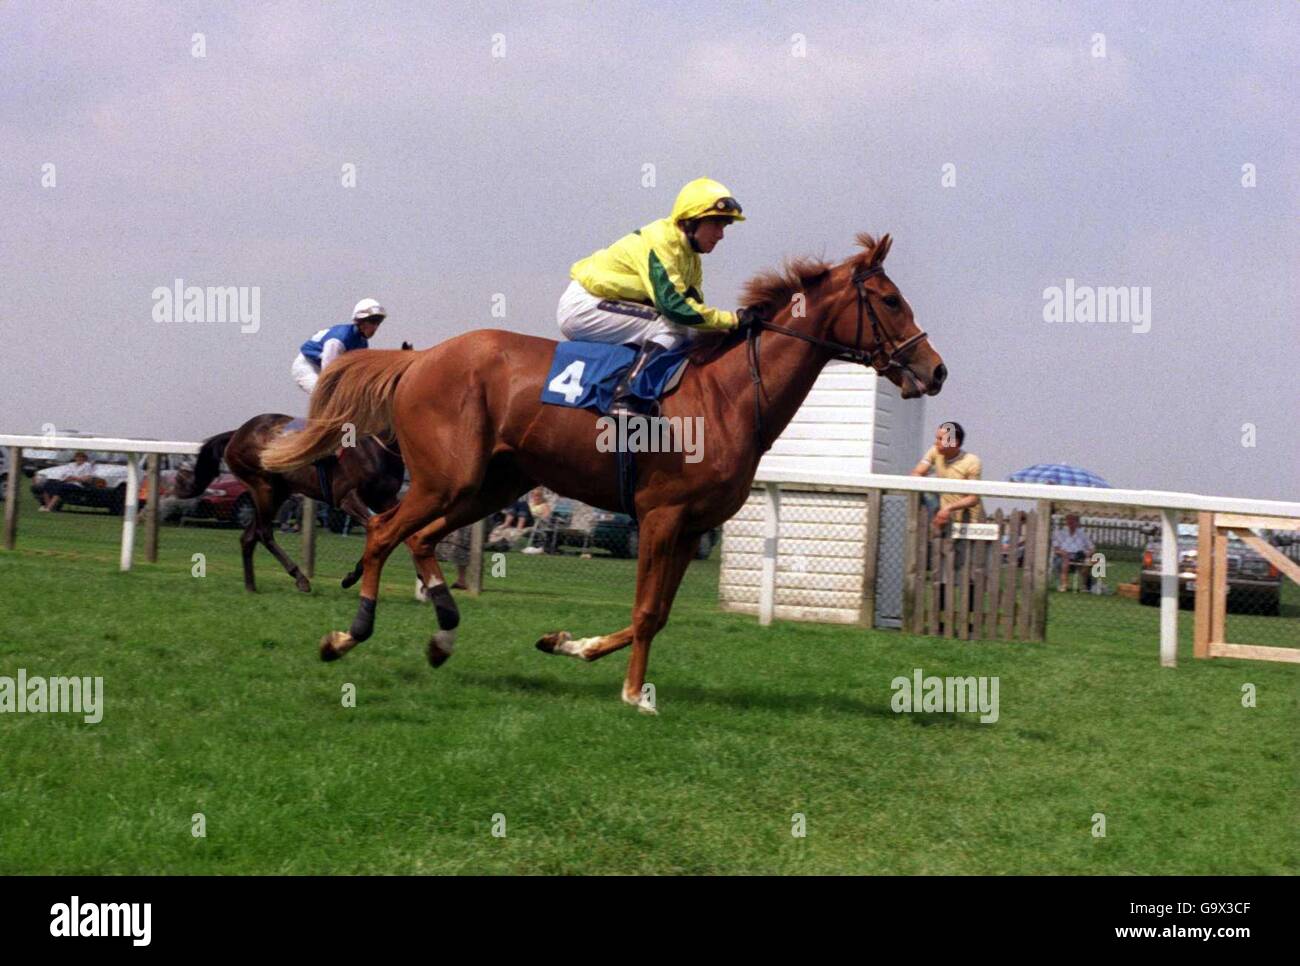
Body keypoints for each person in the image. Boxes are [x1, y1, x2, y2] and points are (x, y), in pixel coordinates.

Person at [557, 177, 757, 416]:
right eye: (716, 224)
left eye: (724, 226)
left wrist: (731, 330)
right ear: (691, 221)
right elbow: (675, 308)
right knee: (670, 327)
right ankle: (628, 396)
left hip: (604, 305)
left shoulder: (691, 260)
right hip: (584, 305)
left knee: (686, 332)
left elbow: (696, 313)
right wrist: (733, 320)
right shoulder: (662, 243)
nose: (721, 235)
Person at [292, 298, 386, 394]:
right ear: (360, 321)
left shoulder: (362, 342)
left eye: (378, 322)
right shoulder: (338, 339)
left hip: (326, 366)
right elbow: (329, 371)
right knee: (325, 394)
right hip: (308, 365)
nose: (375, 327)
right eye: (372, 321)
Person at [910, 421, 984, 532]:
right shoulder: (935, 451)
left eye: (941, 439)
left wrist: (948, 508)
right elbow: (916, 474)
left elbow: (973, 498)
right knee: (925, 491)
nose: (936, 442)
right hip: (944, 520)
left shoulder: (972, 461)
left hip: (967, 522)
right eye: (937, 438)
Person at [1053, 513, 1096, 591]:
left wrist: (1087, 554)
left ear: (1077, 522)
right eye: (1069, 520)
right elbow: (1056, 549)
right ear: (1066, 521)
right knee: (1064, 559)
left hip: (1079, 555)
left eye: (1073, 520)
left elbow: (1092, 548)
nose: (1071, 522)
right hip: (1063, 556)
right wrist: (1063, 553)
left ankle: (1085, 585)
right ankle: (1064, 585)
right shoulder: (1060, 533)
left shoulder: (1083, 534)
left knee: (1087, 561)